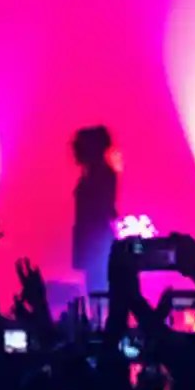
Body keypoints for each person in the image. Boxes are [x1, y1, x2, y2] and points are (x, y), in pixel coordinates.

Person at [71, 125, 118, 296]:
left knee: (98, 290)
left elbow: (101, 211)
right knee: (95, 289)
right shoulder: (94, 175)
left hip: (97, 242)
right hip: (94, 240)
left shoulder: (101, 176)